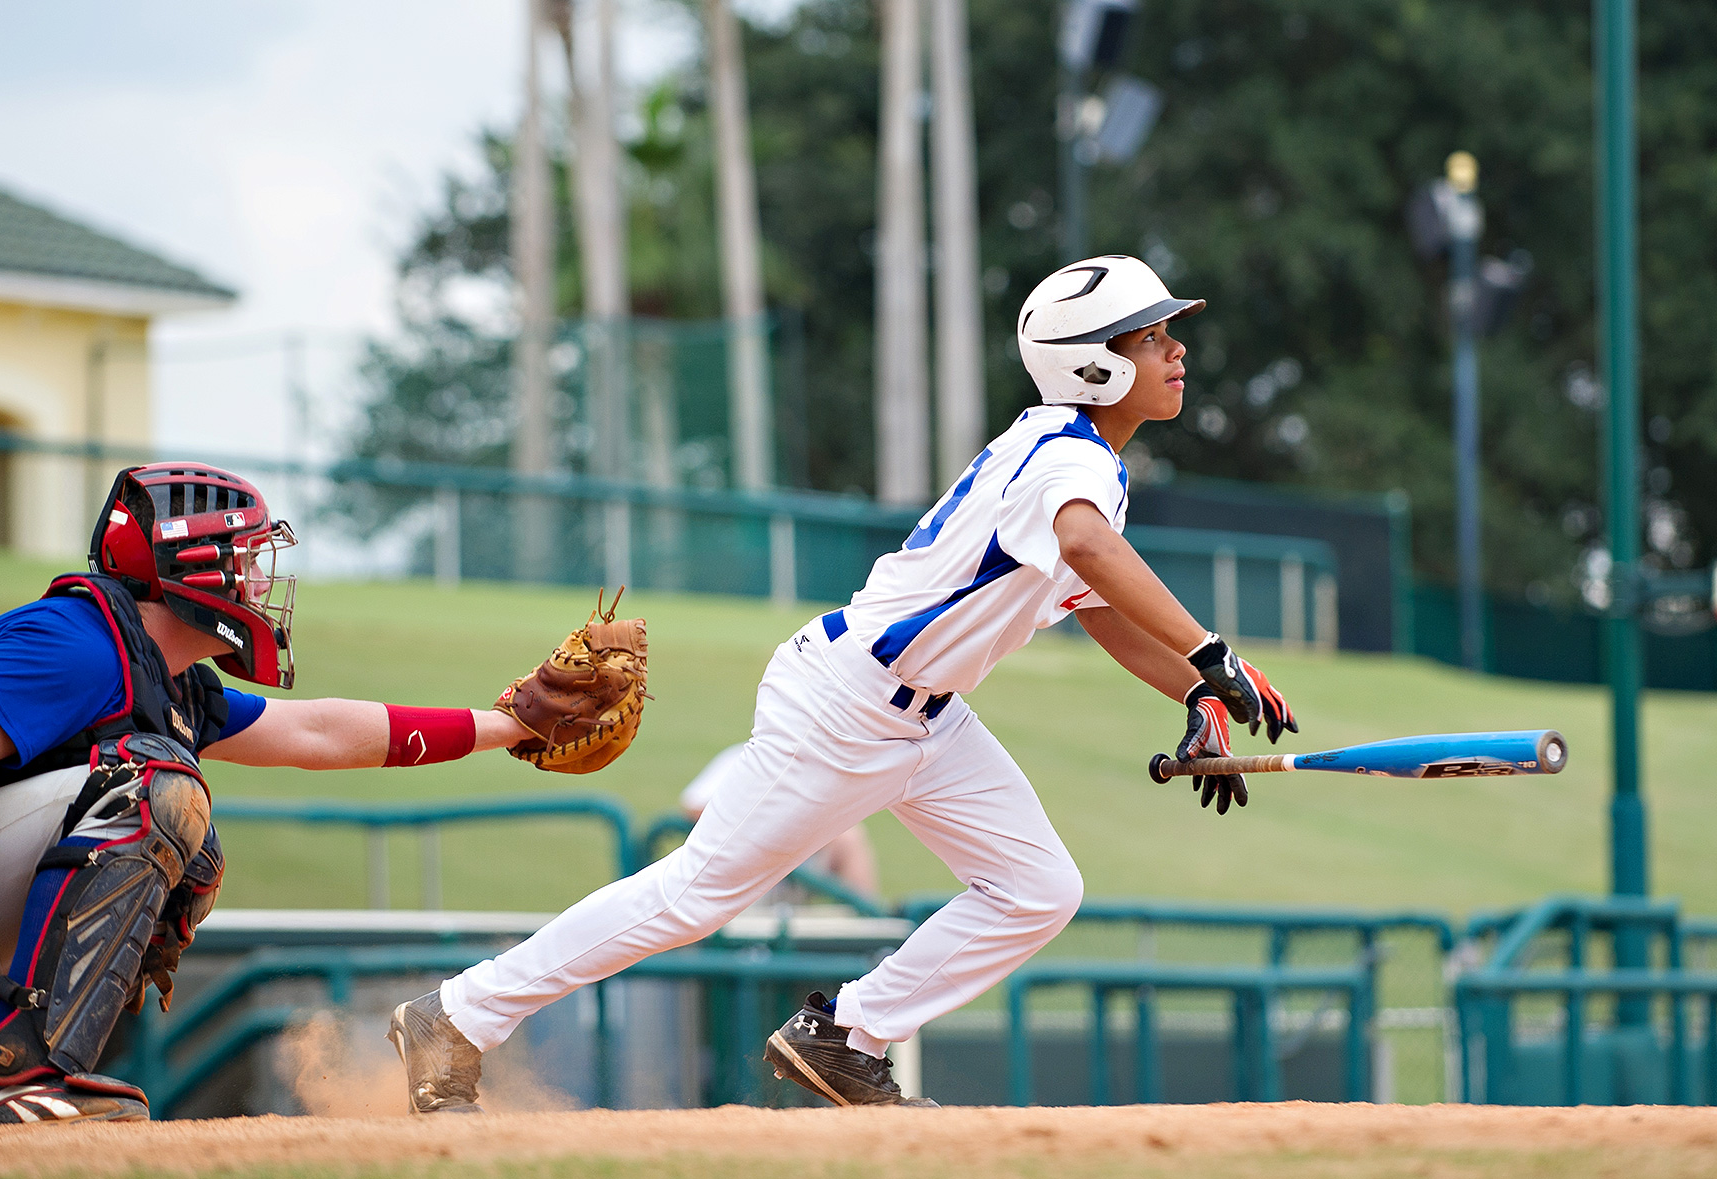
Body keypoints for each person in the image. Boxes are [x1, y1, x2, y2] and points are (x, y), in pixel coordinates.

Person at [387, 255, 1297, 1112]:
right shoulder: (1072, 461)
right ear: (1095, 366)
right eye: (1149, 337)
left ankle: (845, 1034)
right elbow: (1091, 547)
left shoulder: (1076, 454)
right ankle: (457, 1017)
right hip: (850, 702)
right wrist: (1216, 654)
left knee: (1036, 887)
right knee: (694, 894)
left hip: (924, 719)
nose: (1175, 349)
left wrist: (1193, 692)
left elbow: (1098, 602)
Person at [0, 462, 535, 1126]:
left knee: (187, 831)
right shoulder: (77, 641)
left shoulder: (151, 670)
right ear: (195, 568)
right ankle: (9, 1072)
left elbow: (321, 734)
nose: (262, 581)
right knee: (159, 786)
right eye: (247, 556)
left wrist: (514, 725)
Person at [680, 743, 880, 902]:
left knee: (849, 838)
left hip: (794, 869)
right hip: (739, 870)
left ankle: (871, 926)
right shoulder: (744, 757)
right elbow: (694, 806)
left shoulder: (817, 766)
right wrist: (764, 826)